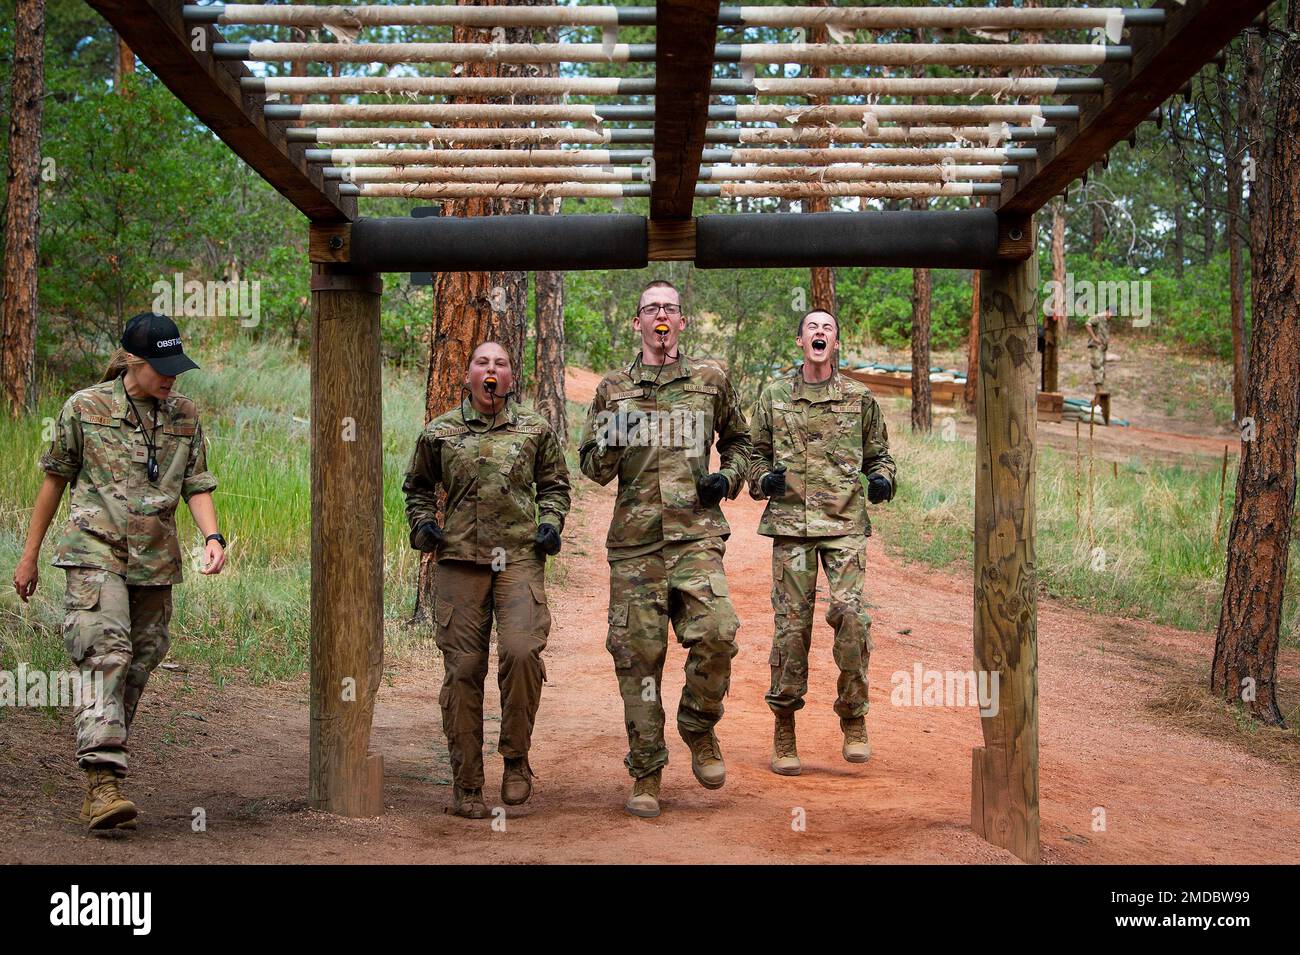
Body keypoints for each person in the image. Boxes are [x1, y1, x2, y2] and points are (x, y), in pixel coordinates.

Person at [12, 312, 225, 832]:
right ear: (134, 360)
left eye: (177, 366)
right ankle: (102, 785)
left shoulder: (185, 414)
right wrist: (29, 553)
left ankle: (100, 763)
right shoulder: (84, 408)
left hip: (155, 560)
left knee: (139, 660)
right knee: (106, 651)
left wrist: (212, 537)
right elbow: (55, 479)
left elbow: (196, 482)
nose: (171, 375)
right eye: (161, 366)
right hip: (94, 551)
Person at [578, 279, 750, 819]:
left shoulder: (711, 379)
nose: (660, 316)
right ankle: (647, 770)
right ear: (636, 323)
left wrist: (730, 478)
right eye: (650, 308)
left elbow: (740, 442)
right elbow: (593, 468)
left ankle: (698, 725)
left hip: (697, 536)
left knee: (719, 632)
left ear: (681, 322)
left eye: (669, 309)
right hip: (635, 547)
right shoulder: (613, 389)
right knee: (638, 659)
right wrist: (614, 429)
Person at [402, 341, 571, 819]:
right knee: (463, 670)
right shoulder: (439, 431)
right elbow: (416, 487)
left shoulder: (535, 429)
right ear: (469, 375)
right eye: (482, 362)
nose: (491, 370)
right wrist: (422, 526)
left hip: (518, 557)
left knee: (521, 652)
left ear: (511, 377)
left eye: (500, 363)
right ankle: (467, 784)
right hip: (459, 560)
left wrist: (551, 524)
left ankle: (516, 759)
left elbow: (556, 485)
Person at [748, 308, 896, 776]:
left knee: (851, 616)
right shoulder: (774, 396)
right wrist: (761, 479)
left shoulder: (858, 397)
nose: (819, 333)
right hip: (791, 526)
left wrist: (882, 479)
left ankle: (853, 717)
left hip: (845, 524)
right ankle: (785, 727)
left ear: (835, 344)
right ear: (800, 342)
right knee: (792, 631)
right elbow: (753, 456)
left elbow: (881, 455)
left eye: (827, 328)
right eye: (811, 327)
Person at [1085, 307, 1111, 391]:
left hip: (1102, 347)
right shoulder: (1099, 317)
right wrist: (1094, 337)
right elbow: (1088, 324)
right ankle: (1099, 389)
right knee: (1097, 366)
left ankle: (1101, 388)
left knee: (1102, 367)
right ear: (1107, 311)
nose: (1111, 316)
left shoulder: (1107, 320)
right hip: (1096, 346)